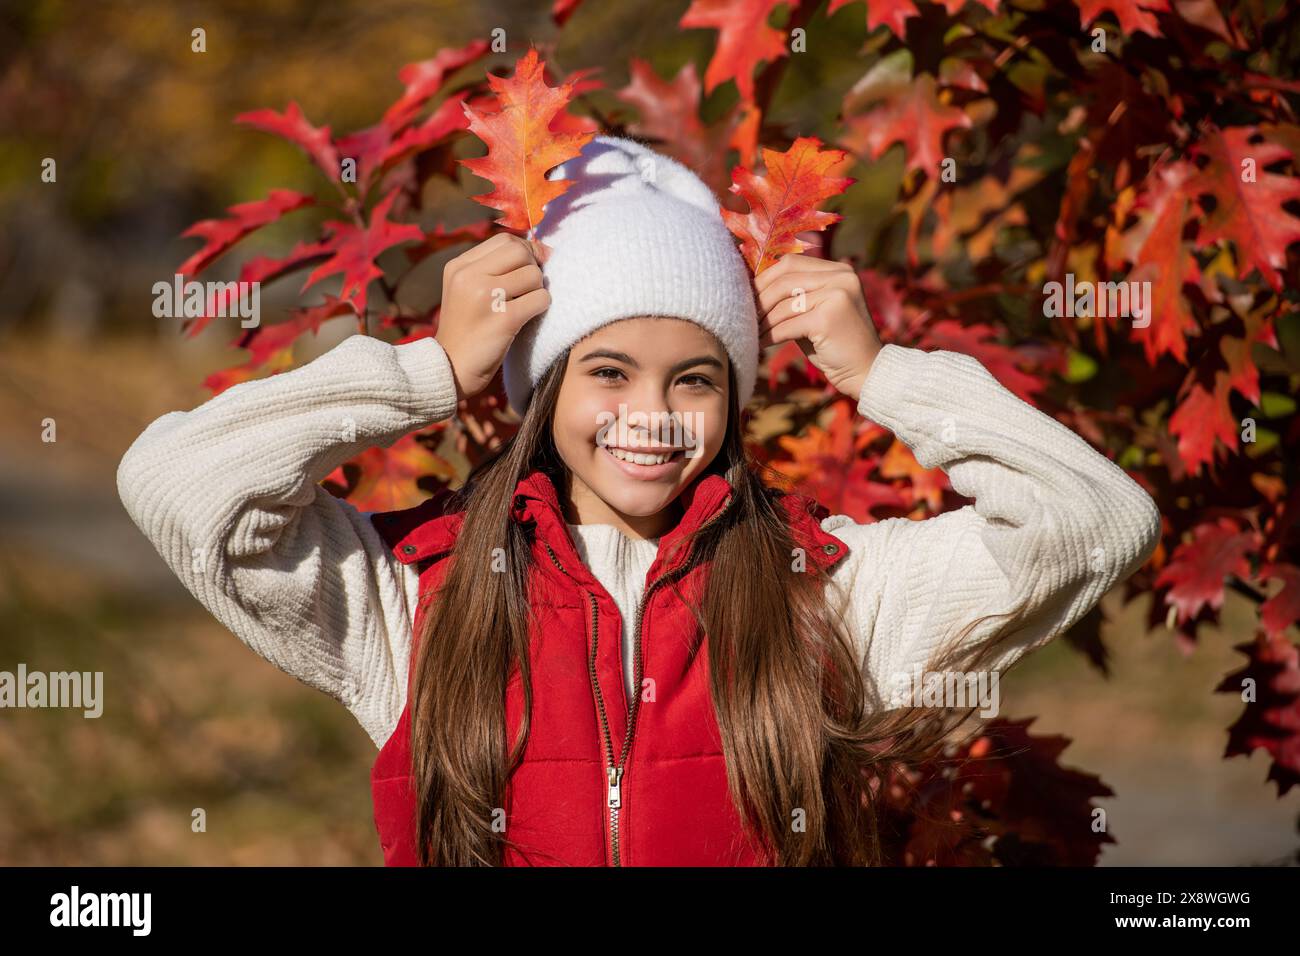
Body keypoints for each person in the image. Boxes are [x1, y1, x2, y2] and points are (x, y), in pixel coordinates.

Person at [117, 135, 1160, 866]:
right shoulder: (416, 597)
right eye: (606, 371)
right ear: (542, 388)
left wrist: (884, 375)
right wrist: (429, 370)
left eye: (694, 377)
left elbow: (1093, 520)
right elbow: (181, 484)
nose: (652, 415)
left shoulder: (831, 593)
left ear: (734, 394)